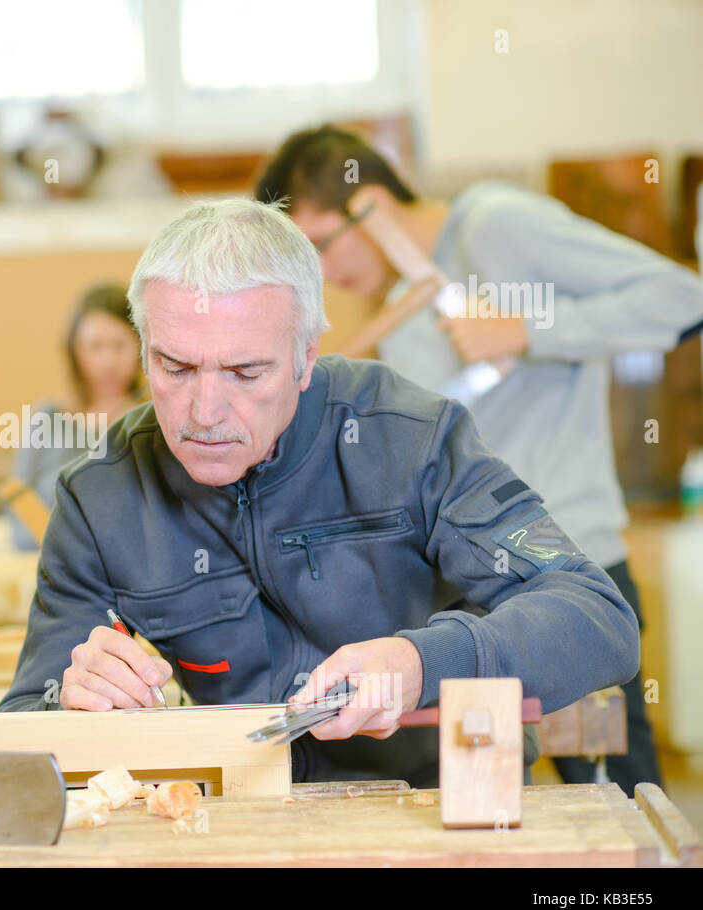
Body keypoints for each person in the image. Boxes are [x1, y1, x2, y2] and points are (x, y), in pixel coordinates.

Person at [0, 198, 640, 788]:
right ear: (144, 354)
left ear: (306, 359)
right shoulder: (101, 493)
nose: (205, 411)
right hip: (241, 829)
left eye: (246, 371)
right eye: (176, 367)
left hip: (439, 820)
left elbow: (597, 619)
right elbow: (25, 723)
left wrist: (421, 661)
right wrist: (69, 700)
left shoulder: (408, 439)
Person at [255, 125, 703, 794]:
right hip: (467, 594)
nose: (323, 271)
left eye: (320, 242)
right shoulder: (395, 321)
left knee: (616, 800)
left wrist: (527, 329)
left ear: (369, 202)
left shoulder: (495, 224)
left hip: (566, 574)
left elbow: (682, 297)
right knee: (482, 801)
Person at [6, 284, 146, 550]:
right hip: (50, 566)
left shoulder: (154, 420)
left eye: (119, 345)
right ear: (74, 350)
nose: (107, 360)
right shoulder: (47, 417)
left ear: (141, 345)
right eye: (95, 347)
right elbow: (17, 504)